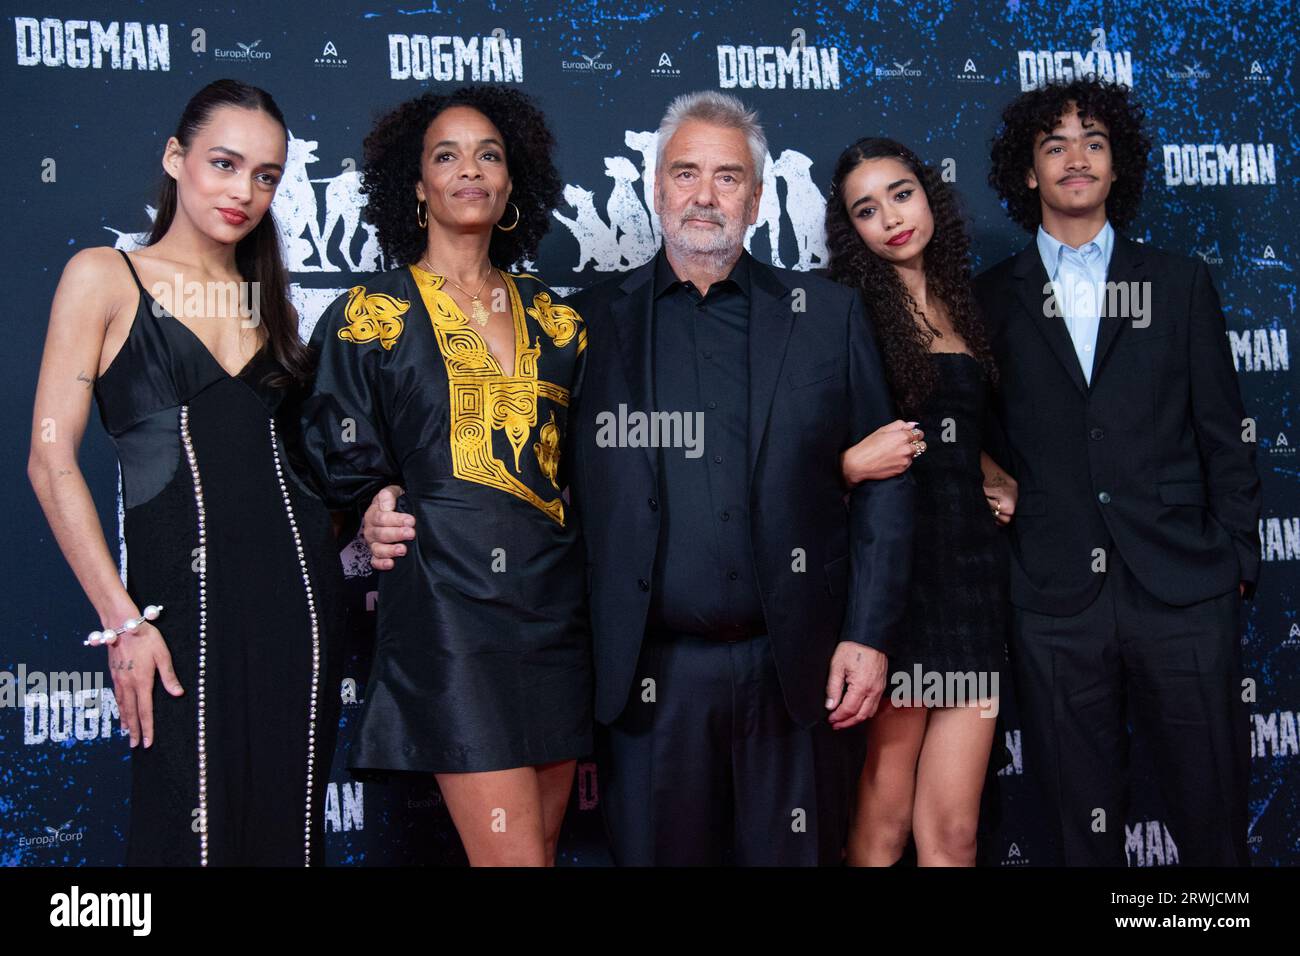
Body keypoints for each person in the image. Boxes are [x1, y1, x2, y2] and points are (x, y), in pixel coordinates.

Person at [367, 90, 913, 866]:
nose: (703, 194)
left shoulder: (826, 317)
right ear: (655, 187)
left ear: (757, 199)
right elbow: (490, 441)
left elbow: (886, 484)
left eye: (728, 178)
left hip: (794, 669)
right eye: (684, 172)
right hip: (648, 681)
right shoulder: (581, 325)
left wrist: (867, 634)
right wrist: (375, 498)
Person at [27, 79, 345, 866]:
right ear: (176, 158)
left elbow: (311, 469)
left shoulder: (272, 305)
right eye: (225, 164)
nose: (245, 191)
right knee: (182, 840)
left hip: (302, 609)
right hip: (178, 617)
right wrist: (124, 621)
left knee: (290, 840)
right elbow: (48, 458)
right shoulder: (104, 276)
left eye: (266, 175)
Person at [295, 85, 590, 867]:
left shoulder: (559, 320)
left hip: (556, 609)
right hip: (447, 610)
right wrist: (369, 505)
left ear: (511, 182)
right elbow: (338, 452)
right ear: (416, 184)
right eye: (447, 155)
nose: (470, 170)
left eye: (489, 155)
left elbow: (598, 461)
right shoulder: (371, 313)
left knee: (544, 850)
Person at [977, 78, 1261, 865]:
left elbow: (1224, 436)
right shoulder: (987, 300)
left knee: (1213, 820)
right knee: (1077, 827)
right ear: (1028, 171)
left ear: (1117, 165)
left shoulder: (1179, 283)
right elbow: (959, 427)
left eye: (1094, 141)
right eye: (1056, 143)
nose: (1077, 157)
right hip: (1054, 596)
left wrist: (1234, 560)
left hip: (1183, 588)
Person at [825, 137, 1014, 866]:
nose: (892, 219)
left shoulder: (968, 302)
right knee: (885, 814)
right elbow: (795, 456)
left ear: (929, 196)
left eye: (901, 194)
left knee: (954, 830)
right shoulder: (846, 314)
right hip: (898, 580)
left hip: (973, 577)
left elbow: (956, 424)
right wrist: (846, 466)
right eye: (866, 210)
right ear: (853, 232)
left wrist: (996, 474)